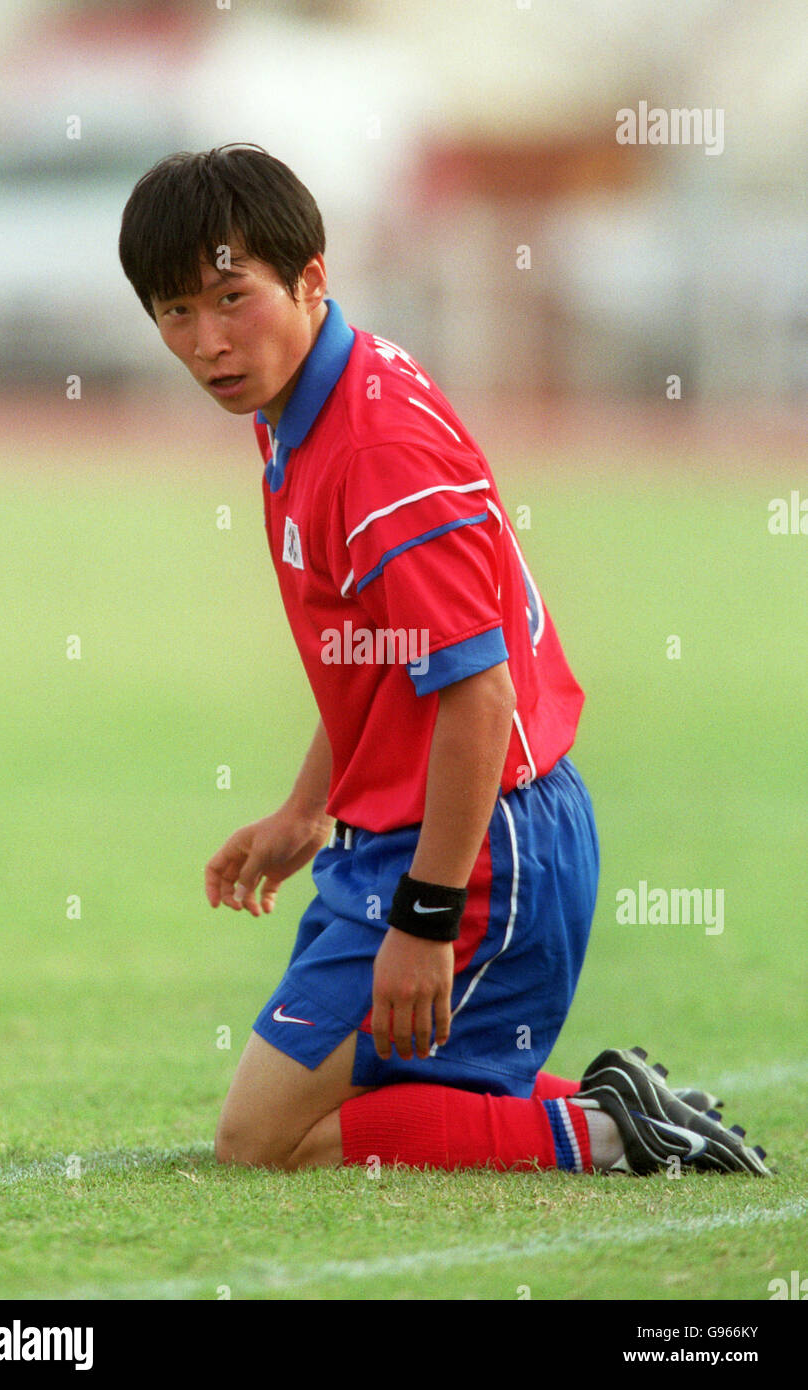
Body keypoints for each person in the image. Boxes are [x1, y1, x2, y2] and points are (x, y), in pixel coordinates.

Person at [118, 144, 768, 1178]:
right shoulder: (305, 401)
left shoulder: (373, 452)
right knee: (336, 1106)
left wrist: (423, 916)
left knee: (262, 1142)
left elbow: (476, 692)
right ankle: (620, 1104)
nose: (208, 343)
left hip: (479, 847)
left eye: (230, 299)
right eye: (176, 314)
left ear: (311, 277)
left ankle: (607, 1136)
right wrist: (303, 811)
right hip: (410, 829)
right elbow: (376, 658)